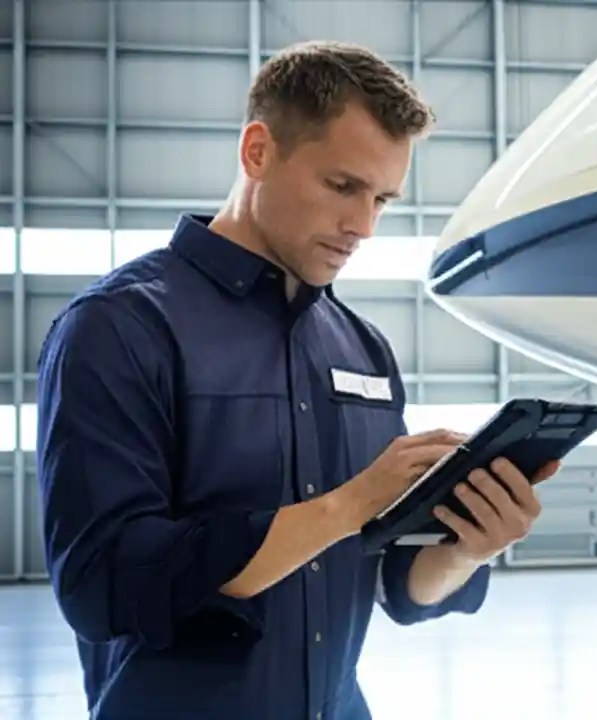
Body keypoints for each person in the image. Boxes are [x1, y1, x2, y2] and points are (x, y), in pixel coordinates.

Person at [34, 39, 557, 720]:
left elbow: (399, 582)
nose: (363, 225)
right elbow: (103, 583)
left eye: (383, 199)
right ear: (258, 151)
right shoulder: (118, 329)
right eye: (342, 186)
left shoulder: (363, 347)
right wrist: (345, 505)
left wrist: (470, 547)